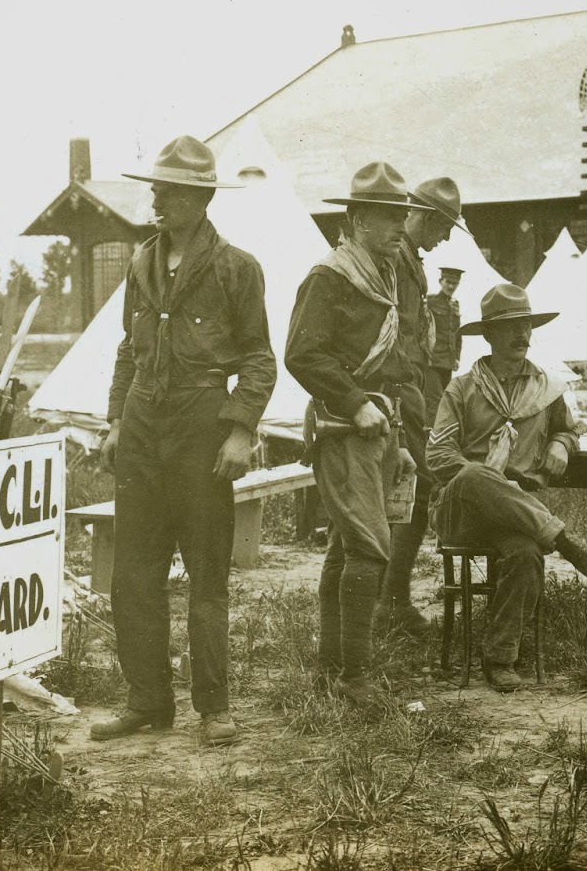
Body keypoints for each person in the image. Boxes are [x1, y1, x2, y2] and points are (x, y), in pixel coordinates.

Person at [91, 136, 277, 745]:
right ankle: (146, 700)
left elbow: (257, 359)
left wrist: (241, 429)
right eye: (155, 190)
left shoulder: (237, 267)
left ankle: (214, 709)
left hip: (202, 422)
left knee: (206, 574)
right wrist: (117, 421)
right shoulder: (142, 262)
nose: (156, 200)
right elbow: (128, 350)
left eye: (167, 191)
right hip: (143, 423)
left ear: (199, 199)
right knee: (133, 574)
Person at [427, 284, 587, 692]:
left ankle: (499, 657)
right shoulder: (462, 388)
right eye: (511, 327)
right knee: (474, 476)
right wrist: (485, 477)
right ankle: (568, 543)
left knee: (526, 552)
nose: (522, 335)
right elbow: (439, 455)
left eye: (527, 325)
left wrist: (560, 443)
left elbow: (571, 431)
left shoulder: (546, 389)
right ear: (489, 336)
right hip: (460, 511)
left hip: (514, 518)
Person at [285, 162, 421, 704]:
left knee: (346, 547)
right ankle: (355, 677)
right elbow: (302, 354)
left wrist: (402, 440)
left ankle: (329, 668)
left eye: (402, 216)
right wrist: (355, 402)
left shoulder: (383, 275)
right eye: (388, 216)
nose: (398, 226)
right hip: (344, 429)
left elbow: (396, 366)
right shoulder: (330, 276)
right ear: (357, 218)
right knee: (369, 547)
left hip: (379, 430)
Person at [378, 177, 469, 635]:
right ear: (428, 218)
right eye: (445, 227)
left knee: (413, 494)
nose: (446, 238)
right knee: (409, 494)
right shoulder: (394, 260)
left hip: (412, 394)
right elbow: (393, 340)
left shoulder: (409, 260)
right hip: (395, 396)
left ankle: (392, 598)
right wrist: (399, 409)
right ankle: (389, 602)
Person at [427, 265, 464, 398]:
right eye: (448, 282)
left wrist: (457, 357)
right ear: (440, 281)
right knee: (434, 399)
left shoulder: (455, 305)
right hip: (432, 361)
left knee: (444, 398)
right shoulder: (430, 302)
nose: (451, 287)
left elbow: (458, 333)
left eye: (455, 283)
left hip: (447, 362)